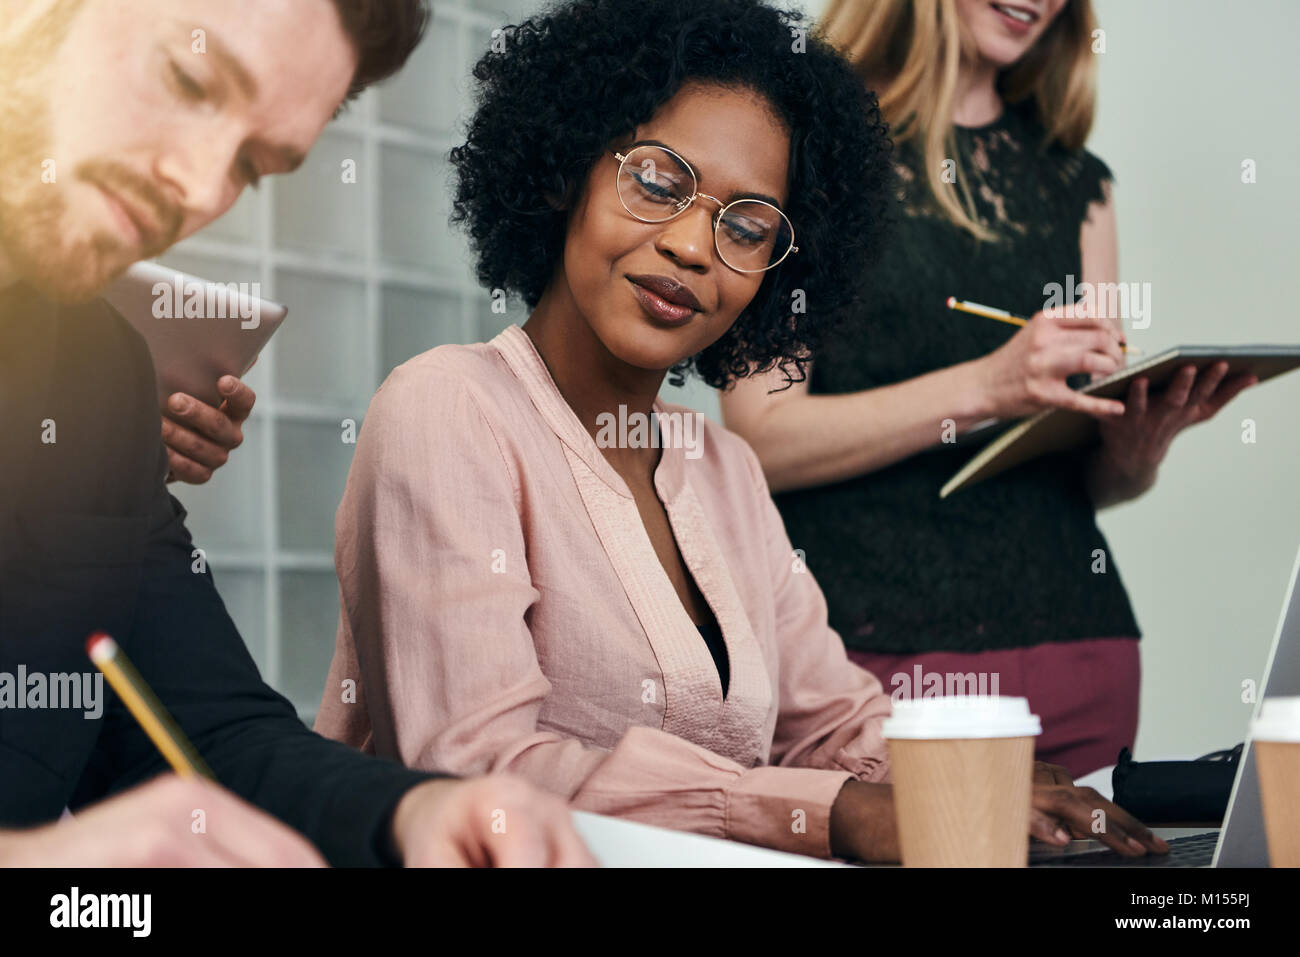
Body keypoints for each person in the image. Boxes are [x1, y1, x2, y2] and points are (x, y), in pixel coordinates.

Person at [314, 0, 1168, 862]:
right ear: (562, 170)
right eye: (656, 181)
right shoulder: (446, 408)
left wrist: (977, 773)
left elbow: (831, 720)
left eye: (747, 226)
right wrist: (833, 812)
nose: (693, 246)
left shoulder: (720, 466)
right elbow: (481, 770)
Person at [0, 0, 593, 868]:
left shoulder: (99, 376)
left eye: (251, 162)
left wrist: (425, 815)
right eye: (188, 77)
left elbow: (212, 732)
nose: (202, 190)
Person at [719, 0, 1257, 778]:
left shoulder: (1082, 184)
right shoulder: (806, 157)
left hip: (1082, 652)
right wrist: (988, 384)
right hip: (864, 664)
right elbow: (760, 438)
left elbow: (1094, 479)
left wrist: (1137, 450)